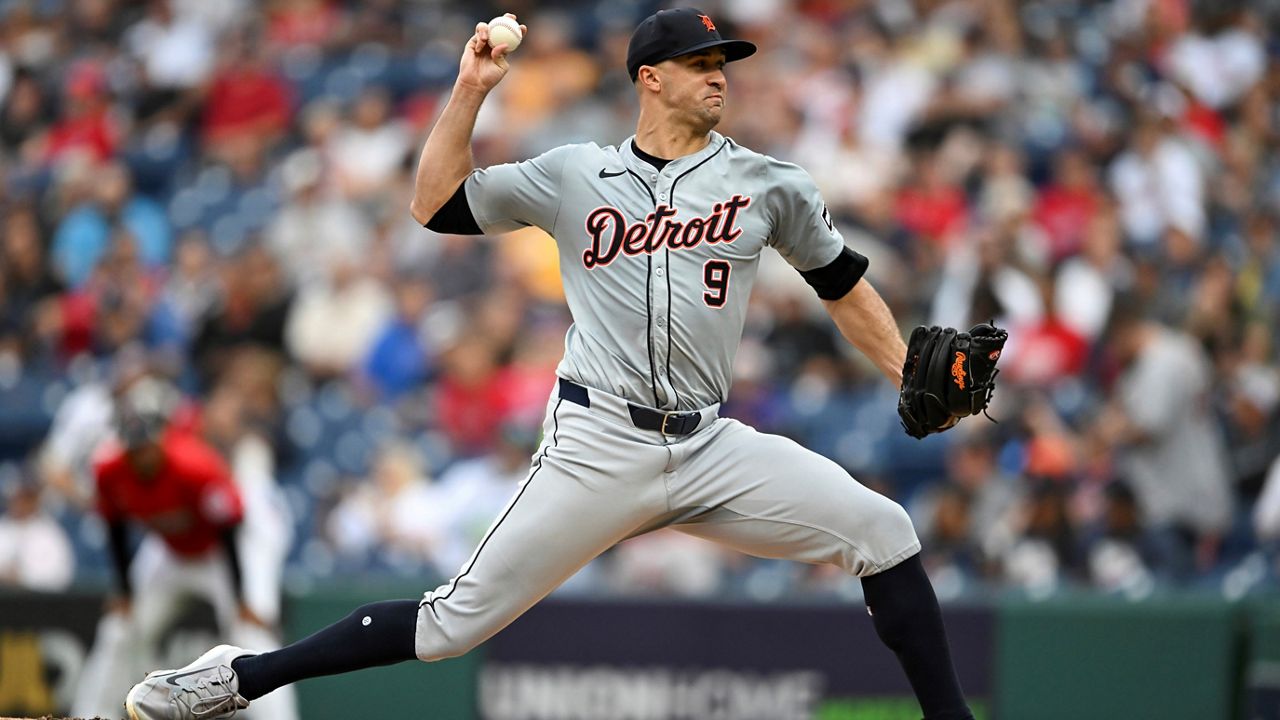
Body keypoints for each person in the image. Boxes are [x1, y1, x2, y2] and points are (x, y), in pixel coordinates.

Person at [126, 10, 976, 720]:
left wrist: (906, 368)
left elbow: (842, 284)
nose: (720, 76)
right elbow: (435, 204)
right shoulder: (578, 174)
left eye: (725, 64)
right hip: (599, 443)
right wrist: (470, 90)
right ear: (650, 76)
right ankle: (239, 677)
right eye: (700, 62)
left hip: (711, 444)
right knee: (451, 626)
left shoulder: (768, 182)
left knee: (886, 533)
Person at [71, 377, 268, 717]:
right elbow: (114, 525)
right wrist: (124, 590)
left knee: (251, 633)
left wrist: (241, 598)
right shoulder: (110, 470)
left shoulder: (194, 465)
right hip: (169, 552)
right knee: (119, 630)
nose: (142, 454)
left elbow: (228, 527)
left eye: (146, 444)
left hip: (219, 553)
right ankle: (90, 715)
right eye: (134, 447)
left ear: (161, 436)